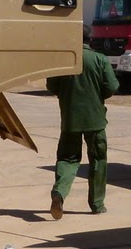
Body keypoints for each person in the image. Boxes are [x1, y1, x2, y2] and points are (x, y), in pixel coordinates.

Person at [46, 44, 118, 218]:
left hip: (70, 119)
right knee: (98, 160)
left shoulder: (62, 59)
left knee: (67, 158)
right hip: (95, 119)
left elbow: (52, 86)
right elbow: (112, 86)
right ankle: (97, 204)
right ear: (90, 39)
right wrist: (97, 94)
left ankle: (59, 193)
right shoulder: (99, 59)